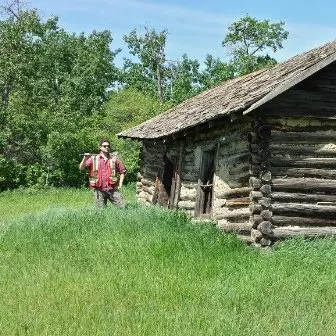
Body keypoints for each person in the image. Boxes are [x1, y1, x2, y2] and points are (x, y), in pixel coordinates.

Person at [79, 139, 127, 208]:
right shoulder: (94, 158)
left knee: (123, 208)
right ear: (100, 147)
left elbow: (123, 171)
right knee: (101, 211)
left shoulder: (114, 158)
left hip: (112, 188)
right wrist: (84, 158)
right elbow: (81, 168)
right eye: (104, 146)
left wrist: (120, 184)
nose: (107, 147)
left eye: (108, 146)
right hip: (98, 190)